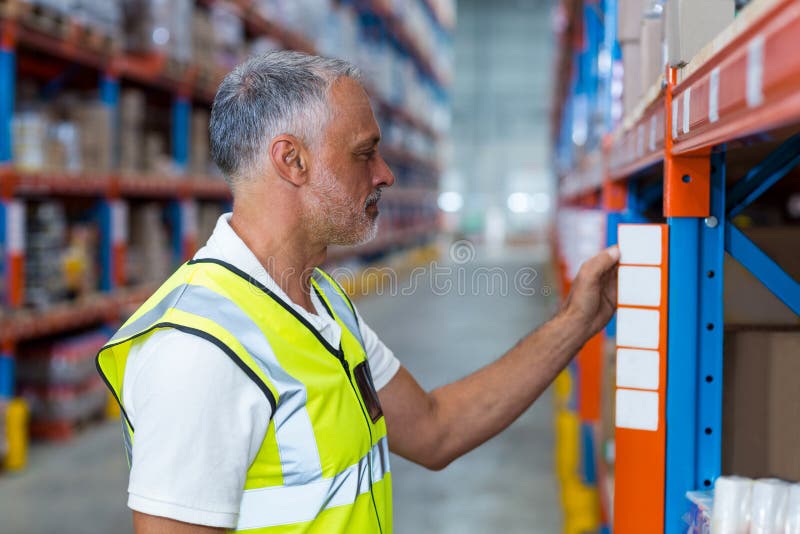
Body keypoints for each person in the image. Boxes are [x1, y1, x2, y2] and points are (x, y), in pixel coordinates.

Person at [97, 51, 619, 534]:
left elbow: (437, 429)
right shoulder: (199, 351)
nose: (385, 174)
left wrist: (576, 320)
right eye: (364, 154)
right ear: (291, 161)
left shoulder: (319, 300)